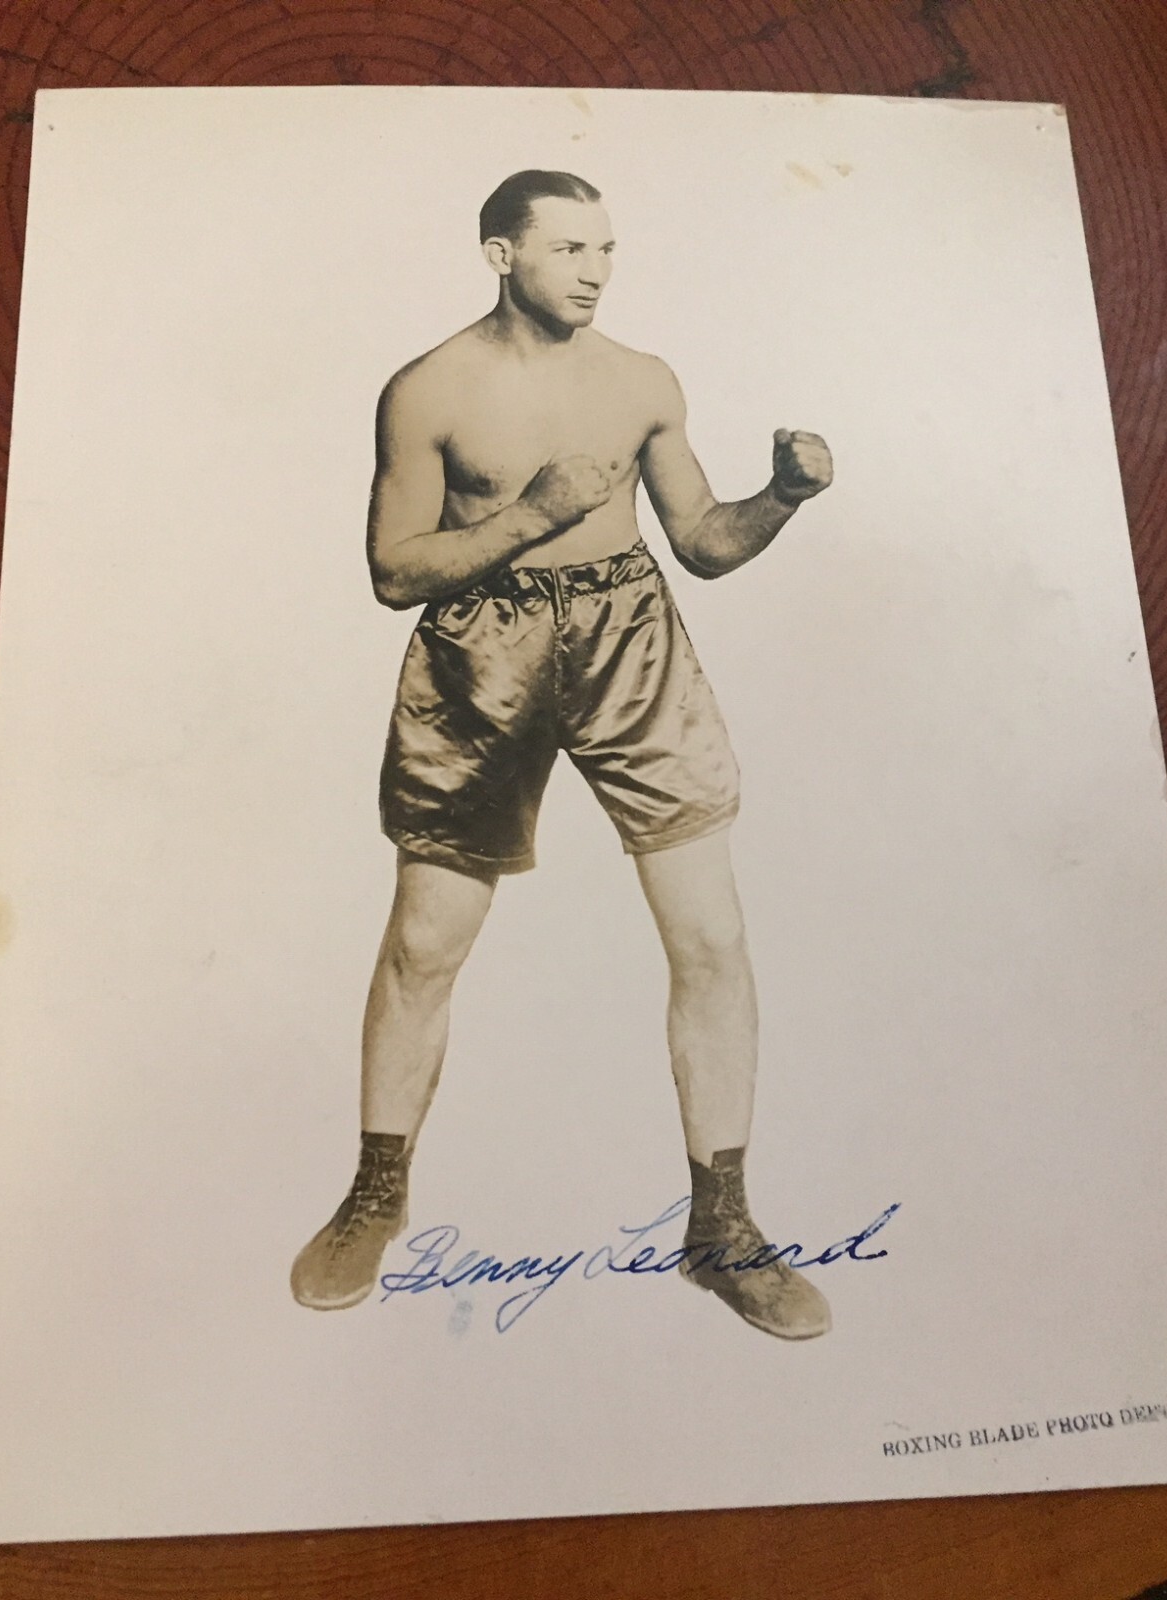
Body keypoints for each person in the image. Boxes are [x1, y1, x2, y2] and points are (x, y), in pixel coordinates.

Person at [291, 169, 834, 1339]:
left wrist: (782, 495)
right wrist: (530, 518)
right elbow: (394, 572)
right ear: (499, 253)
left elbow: (699, 542)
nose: (593, 271)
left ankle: (724, 1224)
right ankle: (375, 1194)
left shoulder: (642, 380)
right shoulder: (430, 388)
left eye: (606, 249)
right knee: (428, 937)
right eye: (567, 249)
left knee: (711, 932)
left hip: (631, 633)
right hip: (481, 646)